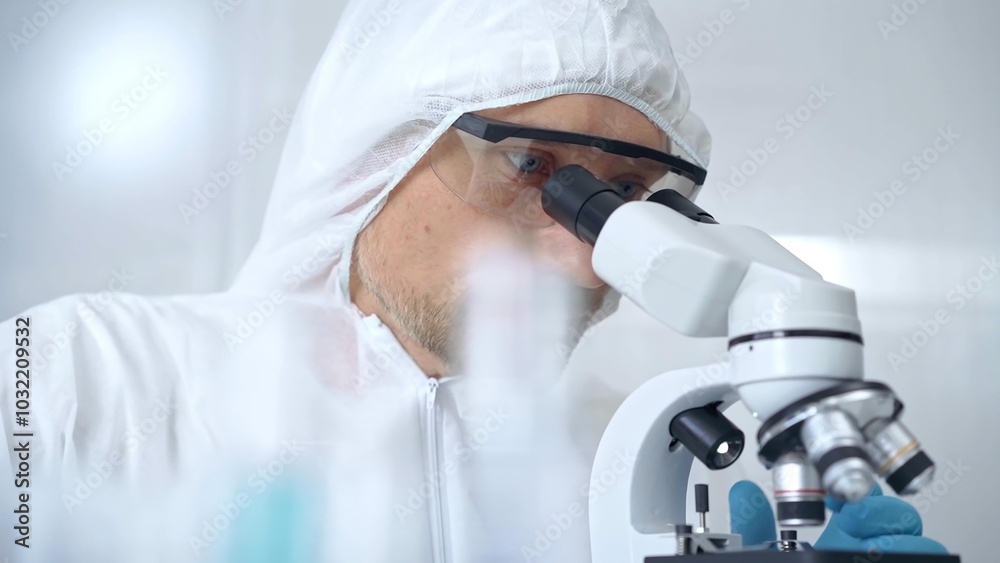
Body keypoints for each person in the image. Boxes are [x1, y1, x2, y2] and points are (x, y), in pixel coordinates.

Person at [0, 0, 946, 560]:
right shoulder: (78, 370)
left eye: (628, 200)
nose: (585, 254)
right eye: (540, 170)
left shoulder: (634, 461)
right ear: (379, 150)